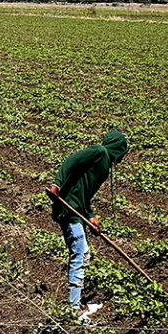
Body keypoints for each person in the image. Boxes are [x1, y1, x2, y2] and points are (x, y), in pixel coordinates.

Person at [47, 129, 128, 314]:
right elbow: (72, 161)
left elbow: (84, 191)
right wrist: (57, 184)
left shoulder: (105, 164)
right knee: (80, 253)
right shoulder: (99, 152)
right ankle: (73, 308)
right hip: (69, 209)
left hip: (77, 208)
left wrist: (91, 216)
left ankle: (75, 304)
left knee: (83, 253)